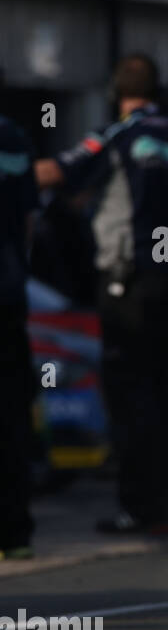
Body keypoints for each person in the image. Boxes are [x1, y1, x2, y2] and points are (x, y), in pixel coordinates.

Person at [34, 54, 168, 535]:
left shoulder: (118, 134)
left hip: (127, 284)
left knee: (131, 397)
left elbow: (54, 174)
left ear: (118, 92)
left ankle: (140, 507)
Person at [0, 110, 38, 559]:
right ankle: (15, 532)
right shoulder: (16, 138)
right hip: (10, 296)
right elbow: (29, 221)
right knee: (12, 412)